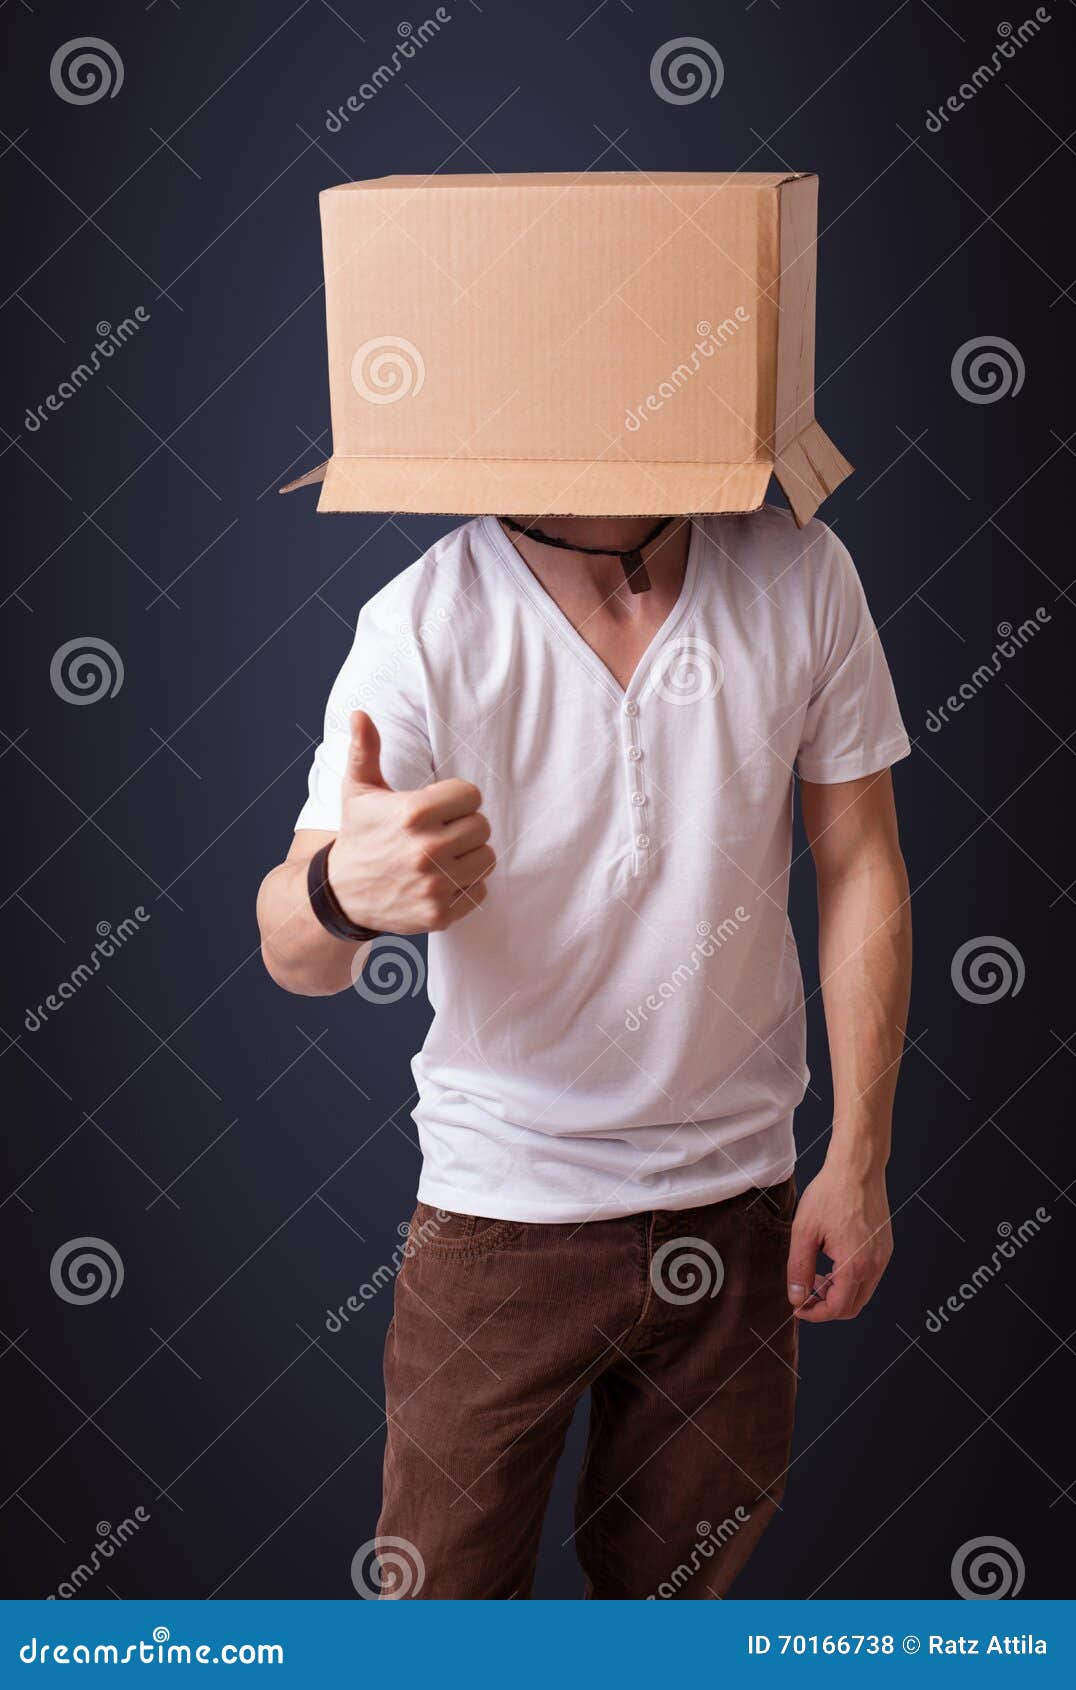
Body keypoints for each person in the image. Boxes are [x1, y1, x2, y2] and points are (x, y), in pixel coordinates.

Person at [256, 506, 912, 1599]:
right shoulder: (422, 618)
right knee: (441, 1640)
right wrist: (337, 892)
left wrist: (857, 1154)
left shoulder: (798, 568)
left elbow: (859, 862)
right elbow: (294, 951)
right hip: (501, 1220)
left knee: (665, 1639)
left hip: (737, 1210)